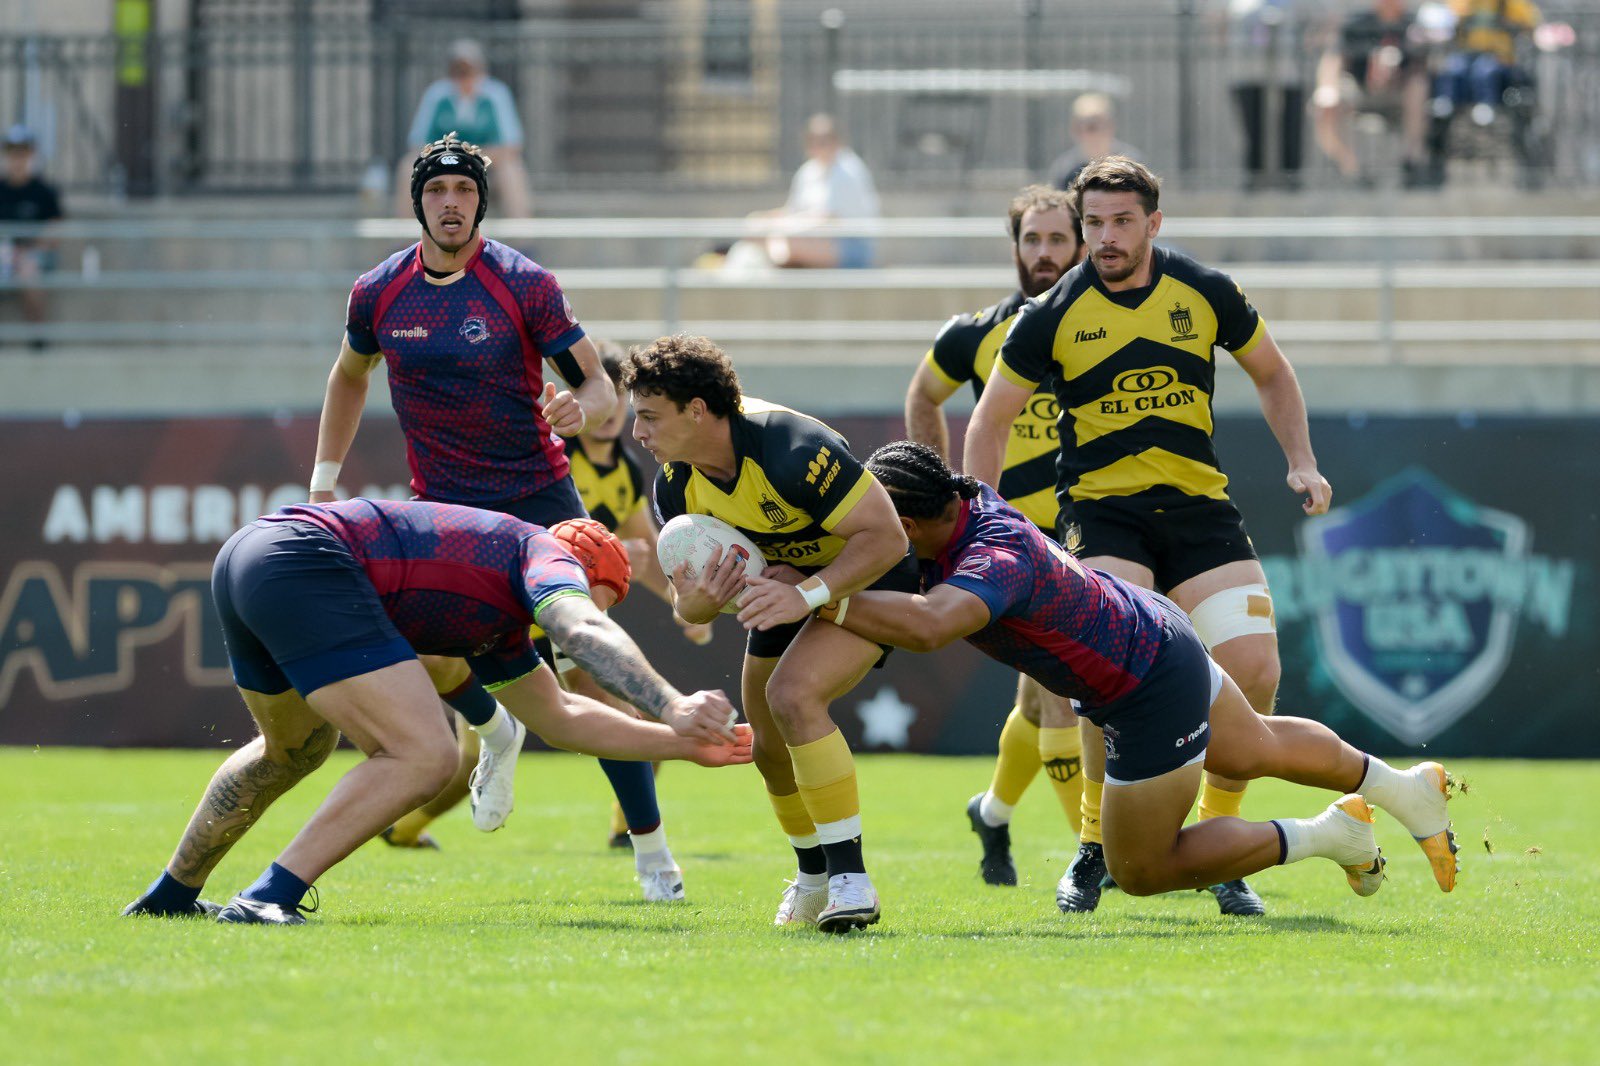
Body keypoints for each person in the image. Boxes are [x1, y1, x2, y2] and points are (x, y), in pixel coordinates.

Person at [787, 441, 1458, 907]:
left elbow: (933, 625)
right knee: (1257, 746)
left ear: (905, 524)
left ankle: (1329, 835)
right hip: (1156, 632)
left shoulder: (993, 553)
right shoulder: (965, 504)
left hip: (1144, 686)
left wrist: (815, 595)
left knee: (1140, 868)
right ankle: (1404, 790)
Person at [312, 133, 680, 900]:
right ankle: (496, 729)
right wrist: (323, 481)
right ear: (418, 203)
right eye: (437, 190)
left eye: (465, 191)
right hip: (445, 511)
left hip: (541, 503)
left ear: (482, 203)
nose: (451, 203)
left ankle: (651, 852)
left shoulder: (524, 283)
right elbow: (348, 376)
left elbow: (597, 383)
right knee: (426, 661)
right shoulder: (378, 292)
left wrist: (584, 408)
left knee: (589, 675)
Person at [964, 156, 1334, 917]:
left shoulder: (1205, 291)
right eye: (1094, 223)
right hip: (1104, 514)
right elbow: (990, 419)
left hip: (1198, 510)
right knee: (1104, 670)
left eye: (1122, 221)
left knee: (1255, 670)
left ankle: (1223, 845)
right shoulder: (1051, 314)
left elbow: (1272, 371)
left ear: (1154, 223)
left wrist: (1301, 460)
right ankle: (1093, 846)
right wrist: (983, 522)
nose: (1105, 237)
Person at [121, 499, 750, 925]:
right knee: (424, 754)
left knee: (293, 751)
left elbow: (561, 715)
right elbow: (580, 628)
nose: (584, 615)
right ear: (583, 574)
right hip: (307, 560)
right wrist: (671, 701)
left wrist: (686, 744)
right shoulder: (547, 556)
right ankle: (267, 897)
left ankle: (170, 896)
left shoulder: (501, 615)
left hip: (252, 554)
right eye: (596, 599)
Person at [382, 342, 714, 889]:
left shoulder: (625, 471)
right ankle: (408, 824)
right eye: (607, 395)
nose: (616, 411)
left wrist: (684, 604)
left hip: (561, 607)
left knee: (619, 714)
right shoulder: (548, 447)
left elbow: (643, 548)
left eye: (623, 399)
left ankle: (651, 855)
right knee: (456, 736)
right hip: (504, 596)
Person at [624, 334, 914, 932]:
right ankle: (812, 878)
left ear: (696, 410)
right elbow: (689, 609)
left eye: (650, 416)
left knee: (792, 695)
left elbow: (889, 539)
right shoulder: (676, 486)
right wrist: (699, 602)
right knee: (766, 745)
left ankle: (851, 882)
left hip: (867, 580)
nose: (638, 432)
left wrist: (806, 593)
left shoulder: (789, 447)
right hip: (786, 592)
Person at [904, 184, 1089, 887]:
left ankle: (993, 813)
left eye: (1057, 240)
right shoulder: (977, 334)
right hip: (1017, 543)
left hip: (1094, 530)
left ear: (1081, 245)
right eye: (1031, 240)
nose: (1044, 254)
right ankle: (1099, 852)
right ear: (1014, 248)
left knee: (1038, 695)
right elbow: (923, 393)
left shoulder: (1103, 328)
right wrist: (940, 489)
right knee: (1062, 688)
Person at [399, 40, 529, 218]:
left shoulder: (496, 95)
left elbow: (511, 146)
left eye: (469, 71)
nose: (464, 77)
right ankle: (406, 231)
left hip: (486, 165)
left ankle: (520, 230)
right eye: (458, 71)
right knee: (408, 166)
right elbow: (417, 143)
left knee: (511, 170)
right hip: (441, 163)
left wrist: (471, 158)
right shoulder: (437, 95)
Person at [1311, 0, 1433, 187]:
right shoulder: (1357, 25)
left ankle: (1412, 160)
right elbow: (1333, 58)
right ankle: (1349, 167)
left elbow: (1423, 64)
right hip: (1360, 88)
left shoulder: (1414, 26)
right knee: (1325, 105)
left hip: (1399, 92)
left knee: (1418, 86)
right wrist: (1327, 87)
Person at [744, 113, 880, 270]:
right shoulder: (807, 171)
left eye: (824, 141)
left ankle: (777, 263)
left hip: (849, 244)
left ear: (837, 142)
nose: (818, 147)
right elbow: (792, 210)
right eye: (812, 141)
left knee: (788, 244)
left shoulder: (849, 170)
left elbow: (829, 218)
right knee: (756, 228)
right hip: (806, 236)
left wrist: (787, 226)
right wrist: (763, 219)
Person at [0, 125, 64, 350]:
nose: (17, 159)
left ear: (31, 155)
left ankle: (37, 339)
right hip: (4, 254)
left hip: (35, 254)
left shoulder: (44, 192)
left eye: (22, 152)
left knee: (28, 271)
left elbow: (54, 232)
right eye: (12, 152)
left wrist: (27, 251)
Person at [1046, 94, 1141, 193]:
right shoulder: (1065, 170)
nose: (1086, 133)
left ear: (1110, 126)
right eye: (1079, 126)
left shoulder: (1131, 164)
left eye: (1093, 126)